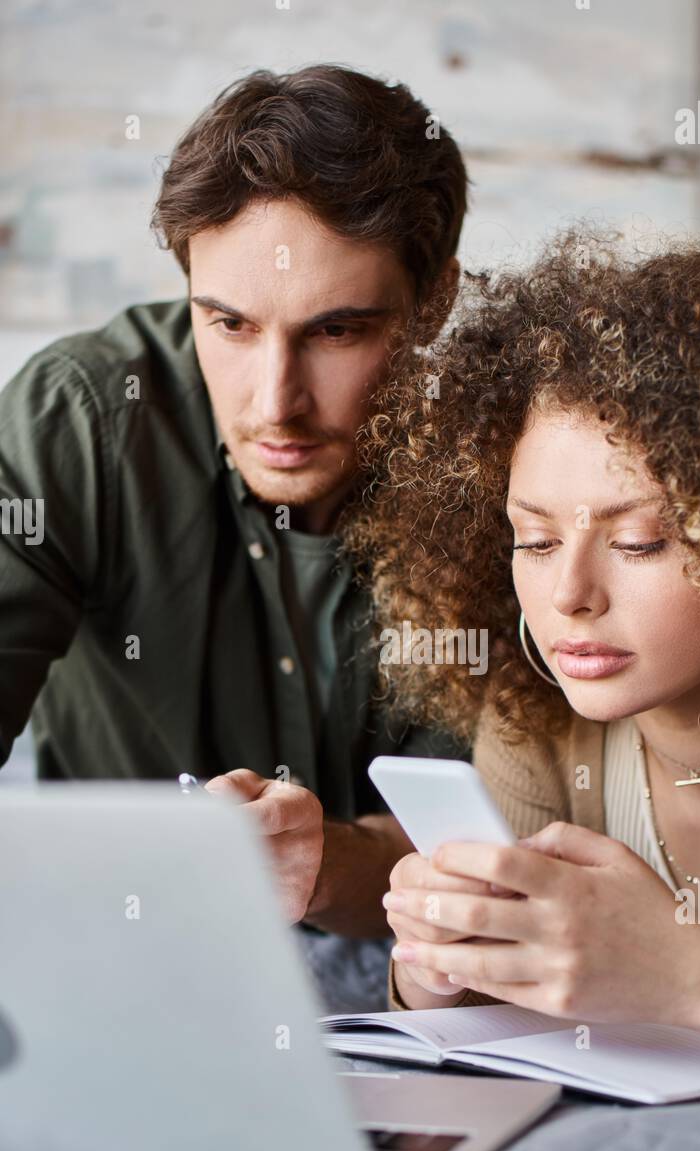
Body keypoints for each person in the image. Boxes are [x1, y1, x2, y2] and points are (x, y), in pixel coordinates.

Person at [346, 228, 700, 1094]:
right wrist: (436, 974)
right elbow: (480, 1048)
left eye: (638, 542)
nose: (569, 595)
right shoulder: (533, 717)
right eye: (536, 539)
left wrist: (689, 968)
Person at [0, 65, 470, 936]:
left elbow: (471, 847)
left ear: (433, 304)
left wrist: (318, 861)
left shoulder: (504, 478)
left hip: (406, 983)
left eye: (336, 331)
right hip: (112, 949)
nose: (273, 403)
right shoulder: (80, 419)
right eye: (229, 324)